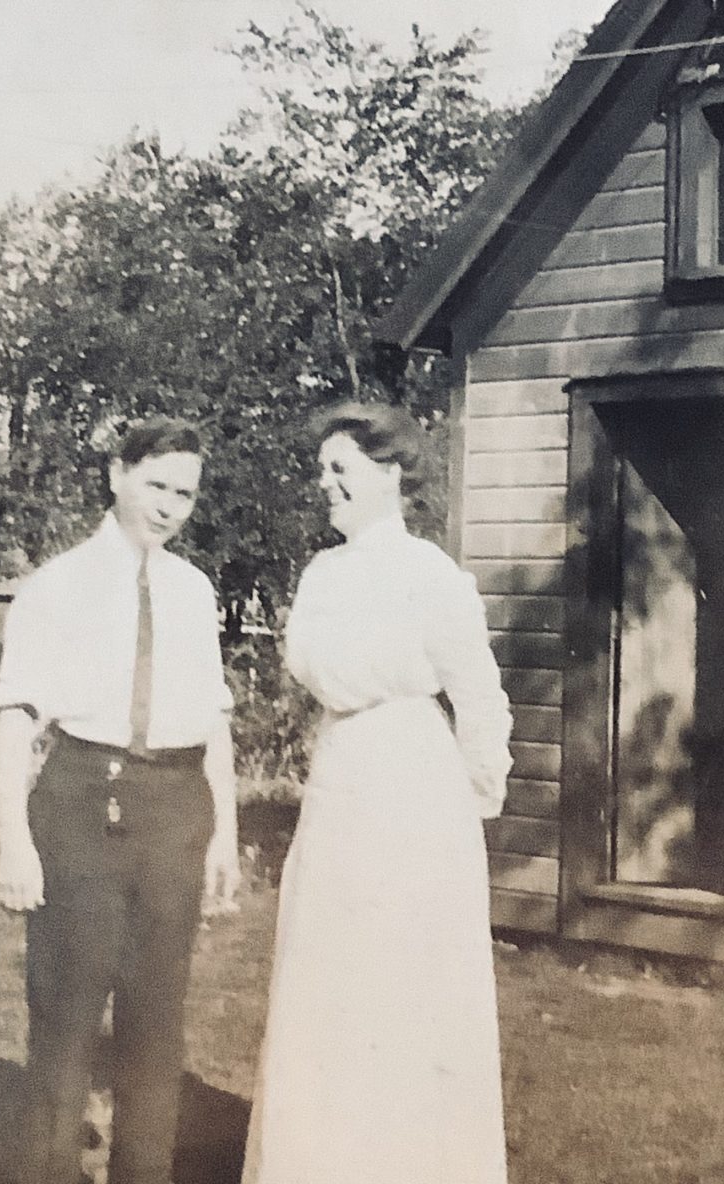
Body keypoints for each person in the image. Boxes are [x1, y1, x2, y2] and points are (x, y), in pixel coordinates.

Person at [242, 402, 513, 1184]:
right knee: (329, 979)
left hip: (416, 785)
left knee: (408, 989)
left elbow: (482, 699)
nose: (326, 485)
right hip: (342, 778)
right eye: (322, 471)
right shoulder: (321, 575)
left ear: (392, 474)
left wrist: (470, 803)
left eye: (342, 470)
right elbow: (314, 666)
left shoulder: (432, 575)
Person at [0, 417, 242, 1184]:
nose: (169, 506)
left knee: (156, 1023)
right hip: (80, 800)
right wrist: (13, 841)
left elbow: (215, 722)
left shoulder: (194, 591)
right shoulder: (56, 586)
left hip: (175, 805)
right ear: (117, 475)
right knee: (66, 1020)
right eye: (157, 485)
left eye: (185, 494)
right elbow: (13, 719)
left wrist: (225, 836)